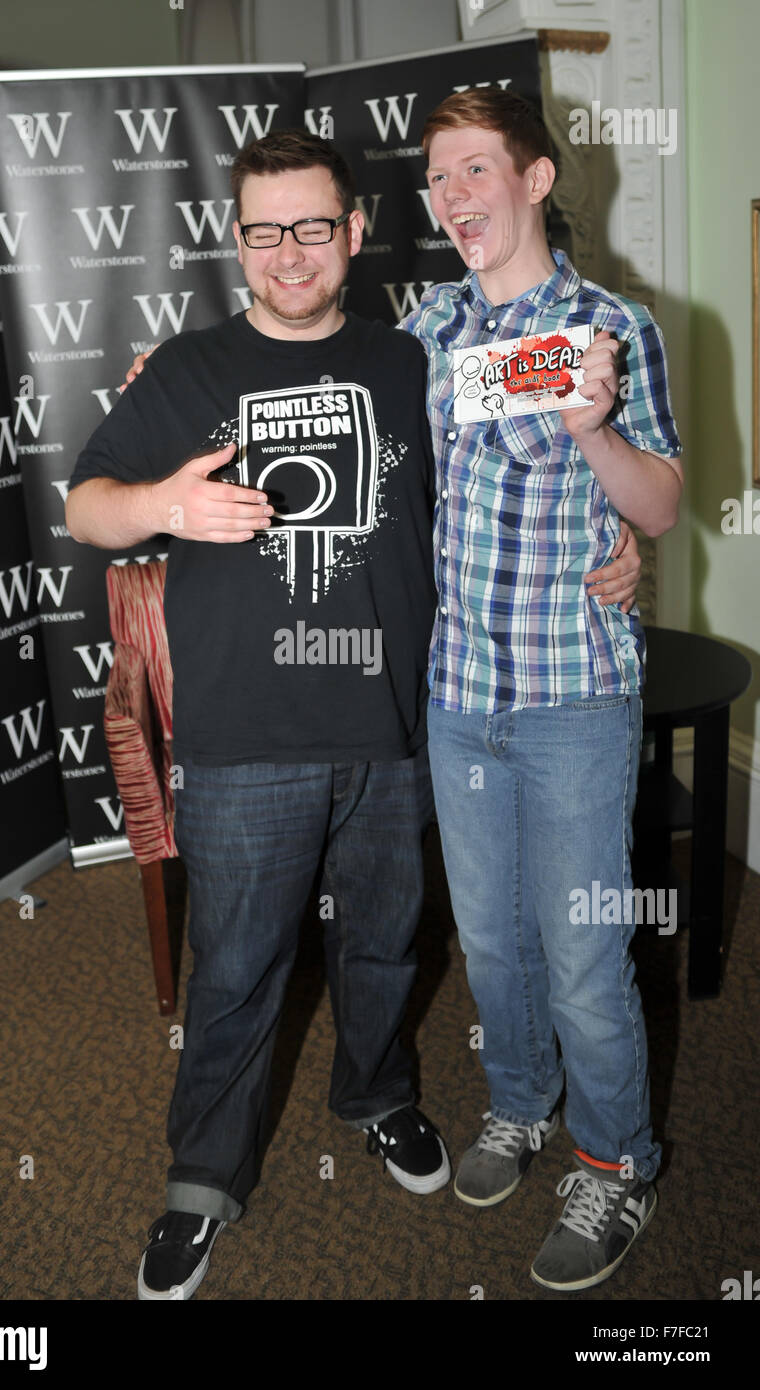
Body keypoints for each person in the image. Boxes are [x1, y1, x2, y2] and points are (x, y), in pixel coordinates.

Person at [66, 130, 454, 1301]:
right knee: (237, 965)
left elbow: (509, 488)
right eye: (265, 229)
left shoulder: (413, 360)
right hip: (243, 737)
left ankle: (379, 1095)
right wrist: (164, 502)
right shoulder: (183, 370)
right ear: (236, 238)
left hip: (395, 725)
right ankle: (204, 1174)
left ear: (356, 231)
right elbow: (88, 508)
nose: (291, 252)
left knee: (386, 941)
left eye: (315, 226)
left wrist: (614, 558)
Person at [399, 88, 683, 1292]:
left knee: (581, 953)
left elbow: (659, 505)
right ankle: (519, 1107)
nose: (455, 197)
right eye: (438, 178)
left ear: (536, 179)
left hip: (572, 695)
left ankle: (617, 1163)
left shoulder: (614, 325)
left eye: (475, 170)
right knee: (496, 947)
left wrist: (594, 434)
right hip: (460, 691)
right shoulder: (426, 326)